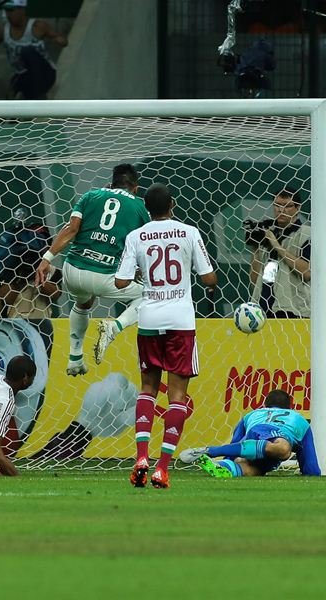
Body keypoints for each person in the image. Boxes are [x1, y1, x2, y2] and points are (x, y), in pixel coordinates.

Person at [115, 183, 218, 489]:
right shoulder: (189, 231)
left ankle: (141, 457)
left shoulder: (136, 236)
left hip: (149, 319)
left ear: (147, 208)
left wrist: (142, 274)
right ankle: (161, 467)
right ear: (172, 204)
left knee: (147, 388)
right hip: (180, 321)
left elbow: (120, 282)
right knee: (177, 395)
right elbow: (209, 277)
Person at [36, 163, 150, 376]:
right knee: (150, 295)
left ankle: (75, 358)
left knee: (83, 301)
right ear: (135, 188)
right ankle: (114, 327)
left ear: (111, 183)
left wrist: (47, 258)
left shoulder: (90, 196)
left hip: (72, 271)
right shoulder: (139, 207)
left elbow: (71, 229)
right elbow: (141, 246)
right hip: (104, 276)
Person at [178, 389, 321, 477]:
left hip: (253, 434)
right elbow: (311, 466)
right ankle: (211, 450)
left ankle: (225, 469)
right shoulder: (298, 418)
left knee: (255, 470)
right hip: (274, 436)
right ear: (290, 407)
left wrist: (229, 460)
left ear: (265, 405)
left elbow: (236, 442)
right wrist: (311, 473)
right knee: (283, 450)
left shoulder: (251, 414)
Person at [0, 0, 68, 99]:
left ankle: (38, 94)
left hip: (45, 73)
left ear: (22, 10)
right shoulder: (4, 30)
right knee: (13, 88)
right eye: (6, 11)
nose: (8, 14)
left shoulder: (37, 26)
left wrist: (59, 40)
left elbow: (62, 40)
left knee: (27, 51)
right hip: (23, 75)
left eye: (11, 10)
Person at [248, 188, 310, 318]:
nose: (281, 210)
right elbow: (255, 280)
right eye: (277, 205)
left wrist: (276, 245)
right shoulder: (269, 233)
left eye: (287, 206)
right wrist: (256, 249)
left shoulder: (306, 234)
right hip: (262, 310)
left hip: (293, 310)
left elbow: (307, 273)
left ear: (298, 208)